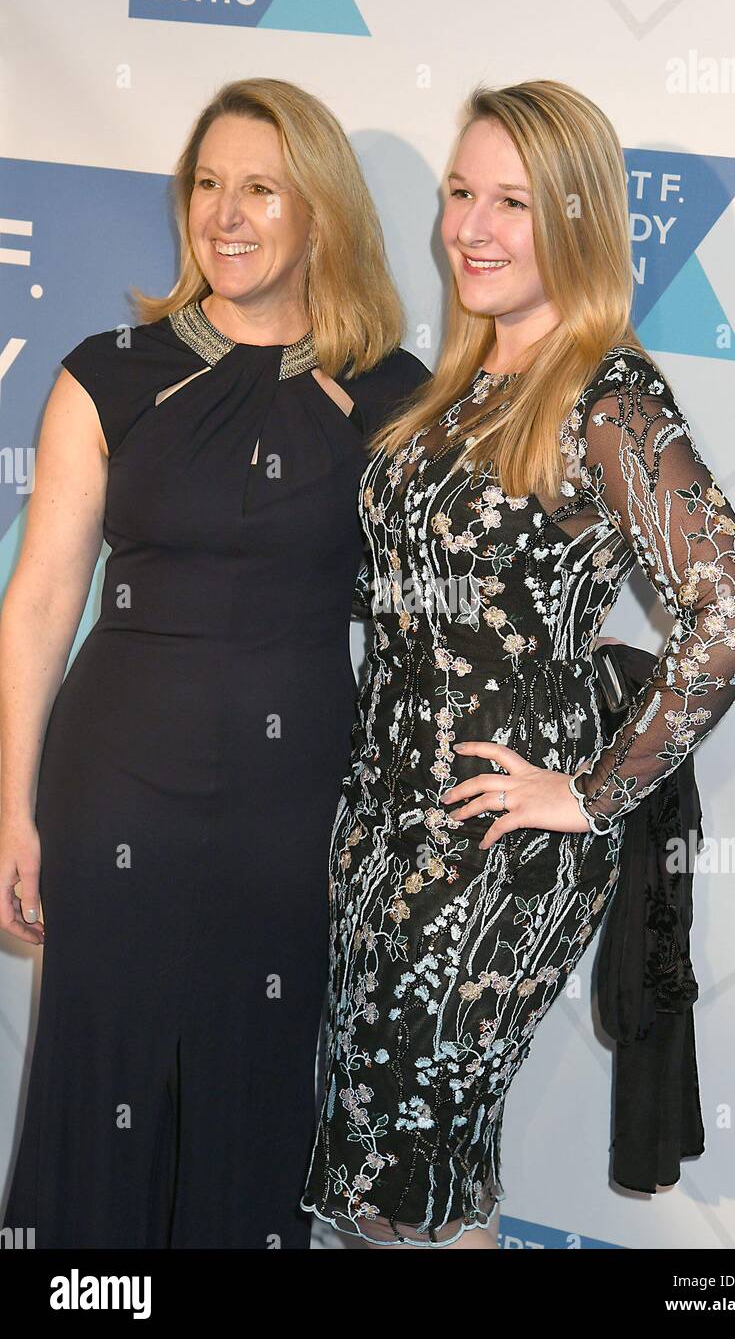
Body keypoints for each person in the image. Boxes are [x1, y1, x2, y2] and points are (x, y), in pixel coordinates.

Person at [299, 79, 735, 1248]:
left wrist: (589, 789)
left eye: (510, 201)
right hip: (382, 820)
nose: (469, 226)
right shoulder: (460, 386)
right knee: (415, 1174)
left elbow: (731, 611)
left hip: (488, 845)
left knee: (401, 1181)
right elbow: (435, 595)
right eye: (462, 192)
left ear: (576, 216)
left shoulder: (607, 396)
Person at [0, 77, 429, 1248]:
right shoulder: (111, 372)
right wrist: (10, 807)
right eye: (205, 184)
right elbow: (40, 599)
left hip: (293, 807)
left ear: (321, 211)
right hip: (113, 784)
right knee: (103, 1079)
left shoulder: (395, 397)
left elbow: (440, 626)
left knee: (255, 1090)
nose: (223, 215)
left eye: (259, 188)